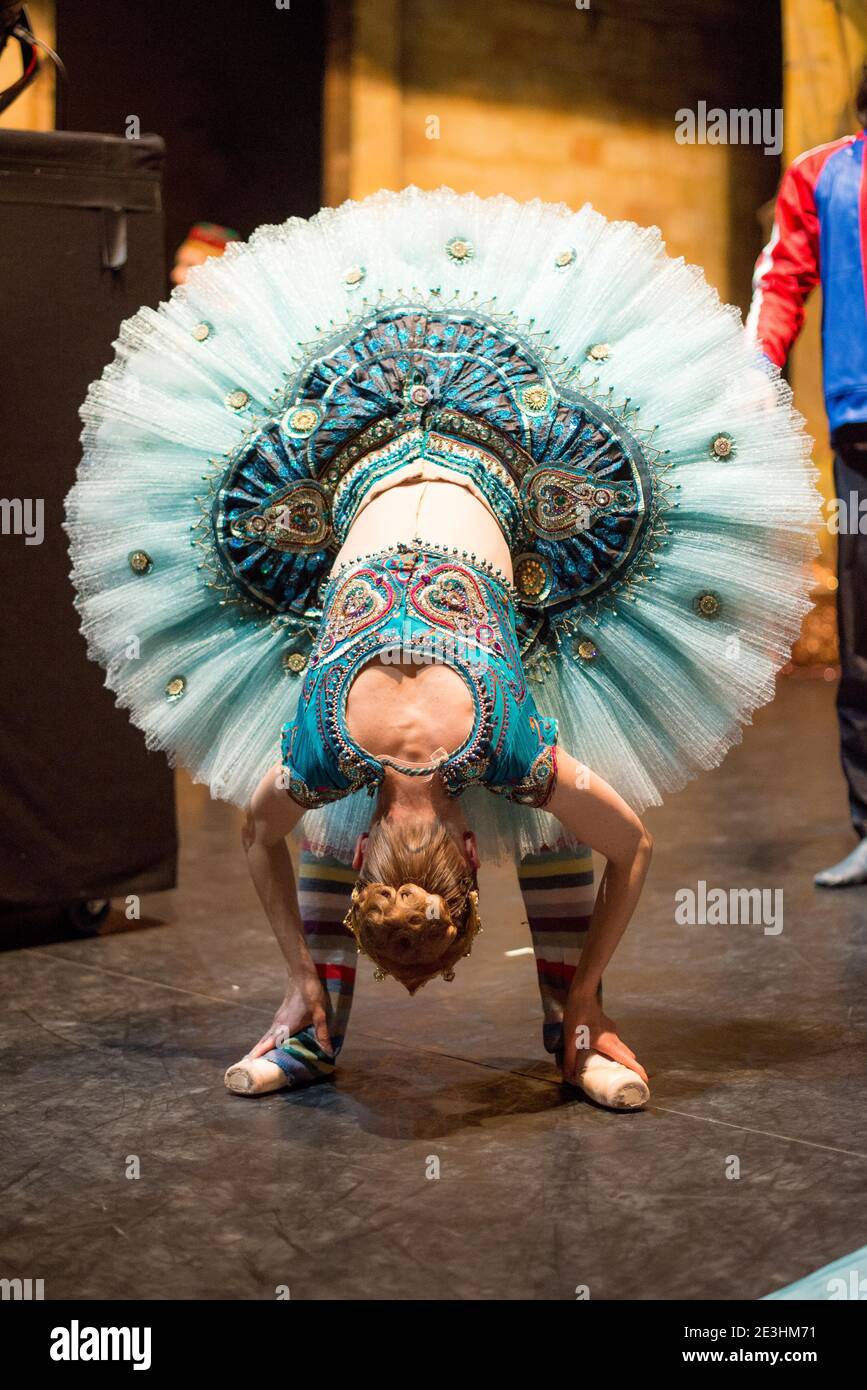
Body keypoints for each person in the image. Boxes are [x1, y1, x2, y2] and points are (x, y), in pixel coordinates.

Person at [66, 187, 820, 1112]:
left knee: (542, 804)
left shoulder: (502, 748)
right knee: (524, 803)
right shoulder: (324, 748)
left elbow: (636, 848)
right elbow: (259, 832)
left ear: (465, 850)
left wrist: (292, 969)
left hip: (405, 457)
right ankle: (569, 1024)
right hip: (425, 467)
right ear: (465, 849)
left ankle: (326, 1023)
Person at [747, 65, 867, 888]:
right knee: (862, 650)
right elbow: (782, 279)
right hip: (861, 435)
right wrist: (753, 380)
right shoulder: (824, 173)